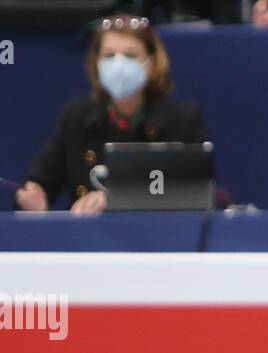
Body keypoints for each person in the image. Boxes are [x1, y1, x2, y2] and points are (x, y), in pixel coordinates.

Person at [16, 15, 208, 215]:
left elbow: (199, 192)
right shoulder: (77, 117)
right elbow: (39, 181)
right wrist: (33, 197)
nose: (118, 65)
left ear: (151, 63)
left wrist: (116, 199)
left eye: (130, 55)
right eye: (109, 56)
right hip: (90, 240)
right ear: (97, 62)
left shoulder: (182, 118)